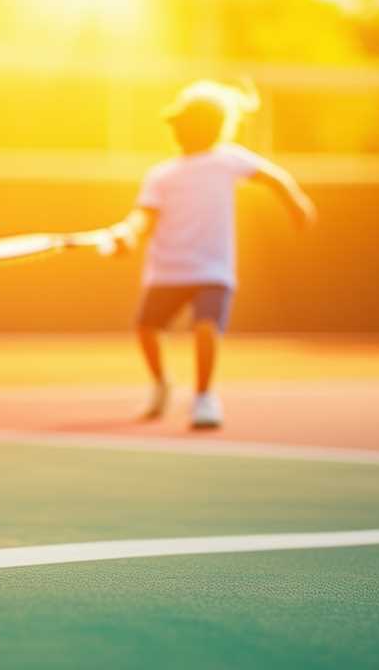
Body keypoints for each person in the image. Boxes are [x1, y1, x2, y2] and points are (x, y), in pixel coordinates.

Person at [106, 80, 316, 429]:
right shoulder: (161, 175)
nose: (176, 130)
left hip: (212, 269)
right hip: (167, 270)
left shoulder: (228, 160)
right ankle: (161, 385)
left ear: (208, 126)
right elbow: (144, 217)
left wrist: (296, 201)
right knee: (145, 328)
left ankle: (204, 397)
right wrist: (127, 234)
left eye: (182, 123)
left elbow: (272, 177)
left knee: (205, 327)